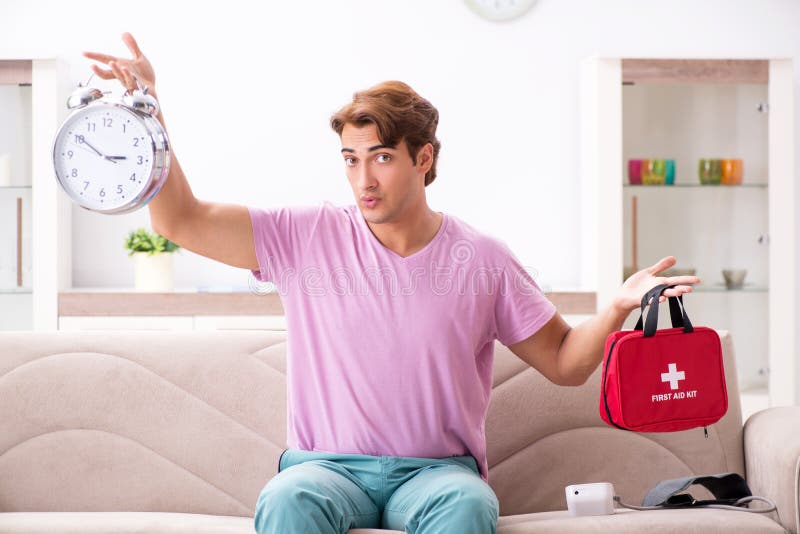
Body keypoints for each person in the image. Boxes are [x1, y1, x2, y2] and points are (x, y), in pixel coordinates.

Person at [84, 33, 700, 534]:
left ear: (423, 158)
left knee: (469, 507)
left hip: (438, 476)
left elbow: (565, 363)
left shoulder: (483, 259)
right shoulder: (306, 236)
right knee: (285, 500)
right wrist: (148, 108)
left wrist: (618, 304)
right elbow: (178, 219)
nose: (363, 180)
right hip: (322, 469)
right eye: (351, 159)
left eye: (380, 156)